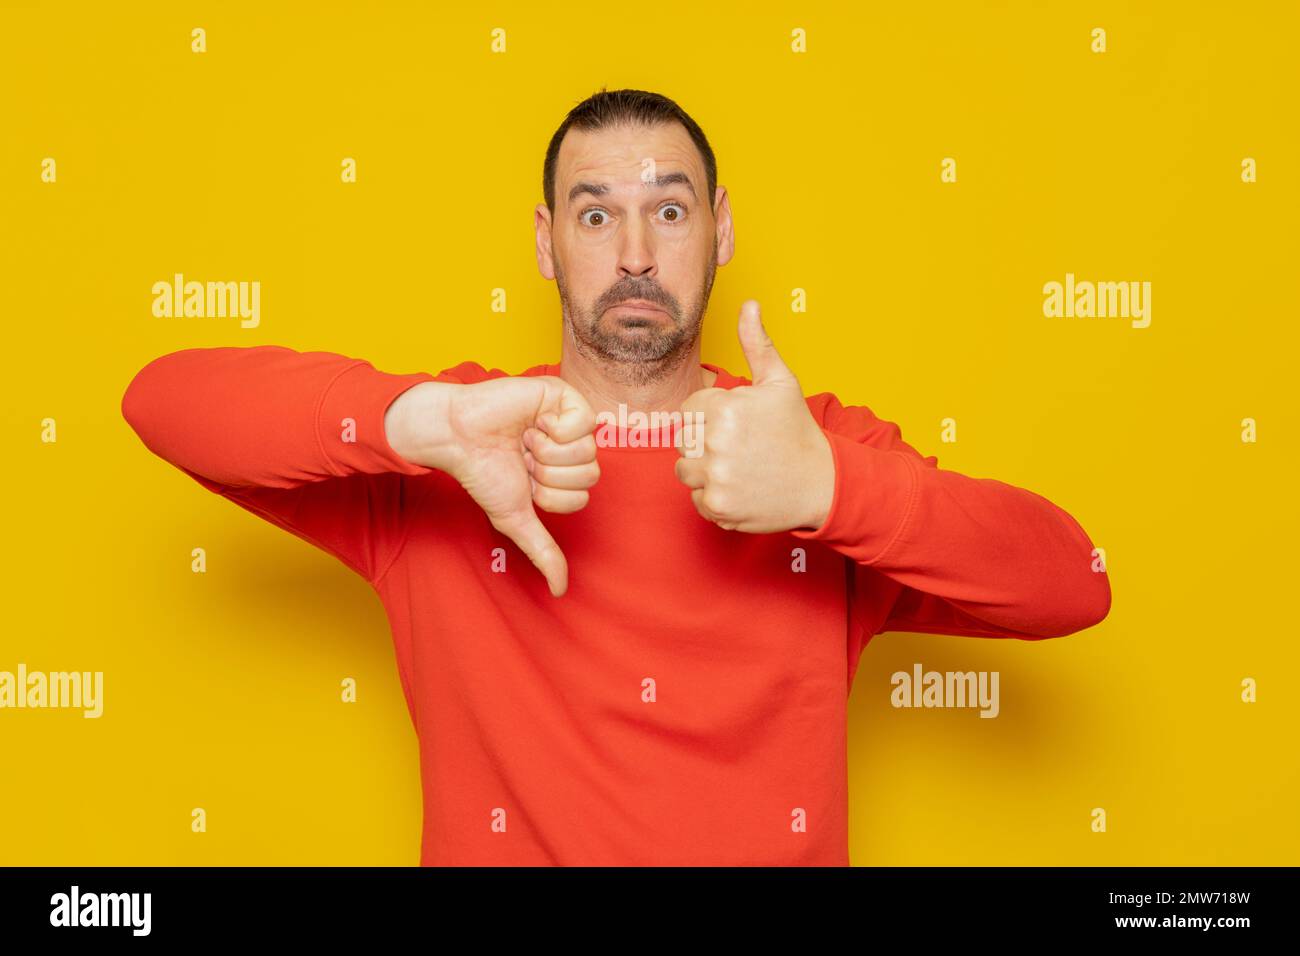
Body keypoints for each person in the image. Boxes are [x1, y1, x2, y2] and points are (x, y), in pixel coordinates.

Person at [121, 88, 1111, 866]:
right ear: (545, 240)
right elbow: (162, 401)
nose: (635, 254)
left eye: (668, 211)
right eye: (595, 217)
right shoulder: (451, 452)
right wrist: (419, 418)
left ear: (719, 229)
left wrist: (828, 491)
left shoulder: (807, 450)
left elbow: (1073, 581)